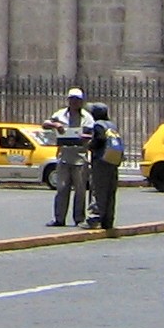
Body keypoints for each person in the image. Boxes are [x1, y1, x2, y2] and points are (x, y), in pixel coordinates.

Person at [49, 87, 91, 227]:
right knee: (61, 188)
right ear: (68, 100)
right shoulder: (60, 114)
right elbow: (45, 124)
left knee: (80, 191)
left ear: (82, 101)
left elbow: (93, 134)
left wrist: (85, 136)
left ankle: (79, 219)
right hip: (64, 156)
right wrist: (56, 125)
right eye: (72, 99)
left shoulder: (87, 117)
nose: (74, 102)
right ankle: (59, 218)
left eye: (77, 100)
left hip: (80, 157)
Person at [85, 102, 120, 231]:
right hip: (112, 160)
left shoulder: (98, 125)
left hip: (101, 160)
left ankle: (94, 219)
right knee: (110, 191)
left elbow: (99, 140)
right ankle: (108, 220)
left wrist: (89, 144)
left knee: (98, 190)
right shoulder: (112, 125)